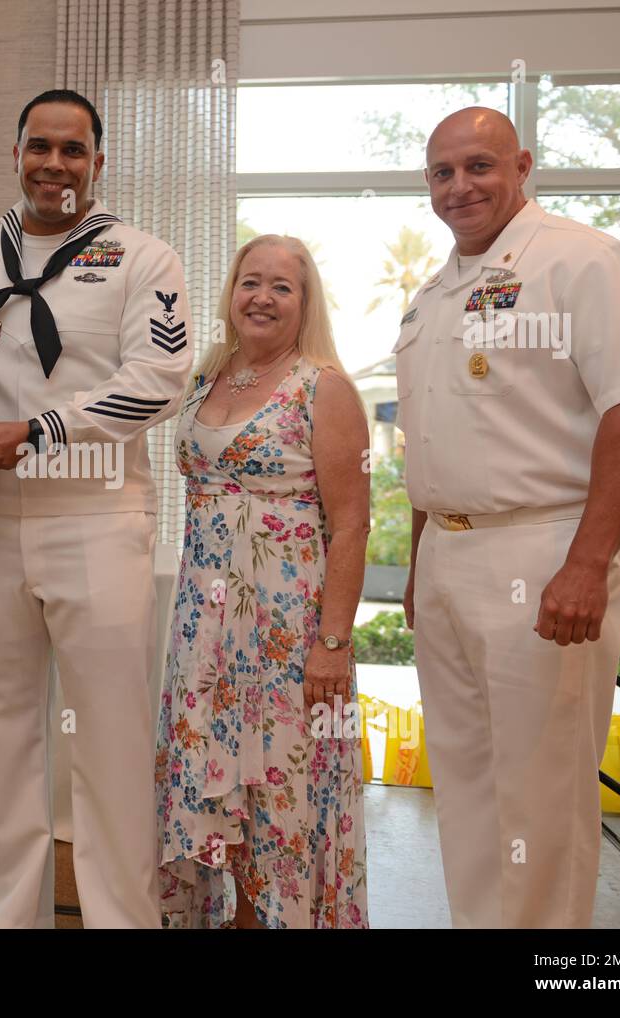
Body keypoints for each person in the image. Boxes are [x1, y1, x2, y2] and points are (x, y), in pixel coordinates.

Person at [397, 107, 620, 928]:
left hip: (548, 549)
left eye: (480, 166)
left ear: (522, 166)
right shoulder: (432, 295)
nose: (461, 187)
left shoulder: (583, 261)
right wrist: (420, 566)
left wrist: (589, 562)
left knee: (541, 794)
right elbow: (436, 441)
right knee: (467, 787)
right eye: (443, 173)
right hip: (450, 555)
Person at [0, 89, 193, 928]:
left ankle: (124, 918)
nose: (55, 164)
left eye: (73, 150)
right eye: (39, 146)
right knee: (4, 738)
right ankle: (10, 918)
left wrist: (41, 429)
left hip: (97, 514)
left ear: (98, 163)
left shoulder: (142, 257)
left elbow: (157, 383)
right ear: (16, 155)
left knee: (112, 744)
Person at [156, 235, 371, 929]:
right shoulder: (204, 377)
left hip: (288, 634)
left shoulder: (324, 386)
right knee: (218, 798)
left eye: (282, 286)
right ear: (230, 293)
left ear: (304, 304)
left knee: (282, 798)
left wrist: (332, 643)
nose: (263, 297)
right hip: (204, 629)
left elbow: (354, 525)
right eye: (251, 282)